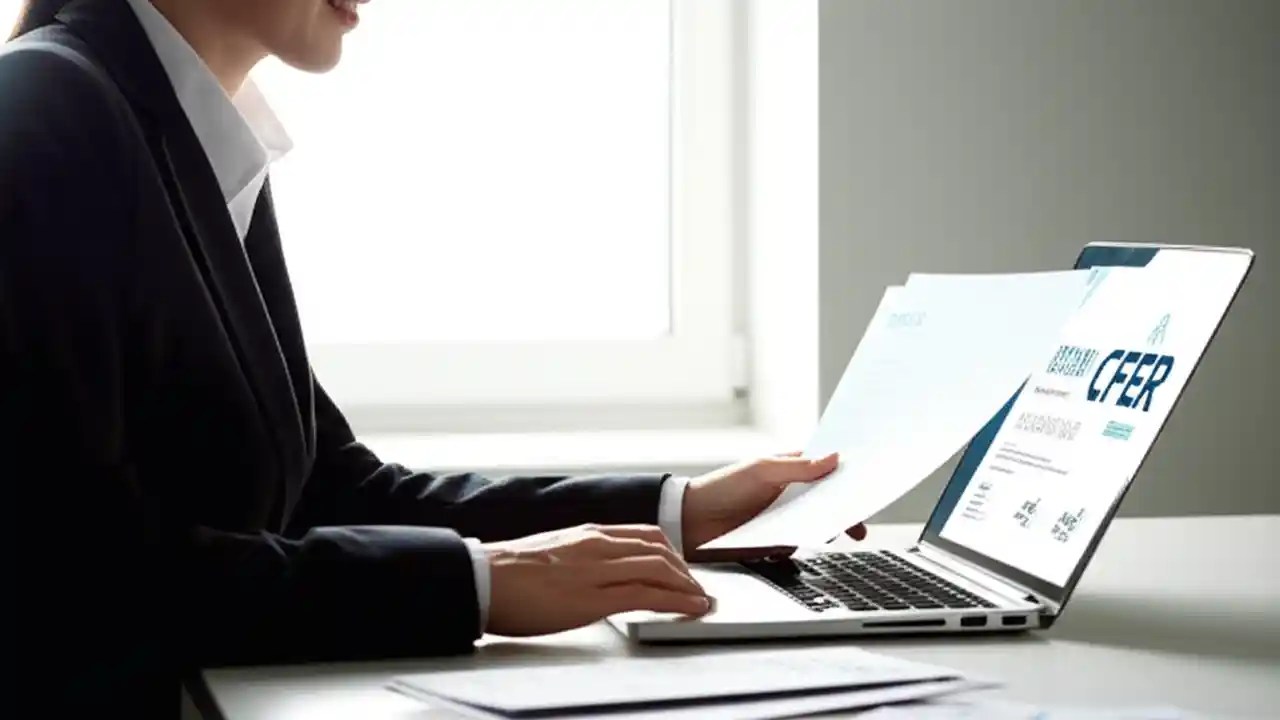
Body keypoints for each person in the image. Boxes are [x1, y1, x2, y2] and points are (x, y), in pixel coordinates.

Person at [0, 0, 867, 715]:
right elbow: (83, 576)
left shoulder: (199, 146)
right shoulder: (45, 107)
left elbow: (334, 488)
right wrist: (482, 585)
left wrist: (682, 509)